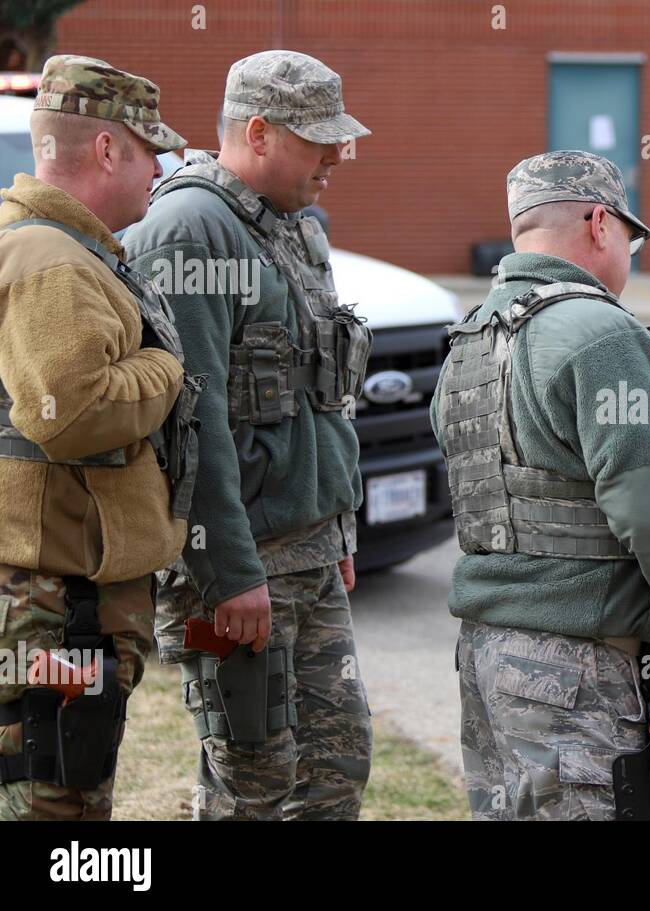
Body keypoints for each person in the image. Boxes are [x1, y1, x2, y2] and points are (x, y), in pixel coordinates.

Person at [432, 150, 650, 820]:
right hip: (577, 671)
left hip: (488, 659)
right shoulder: (602, 336)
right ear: (598, 222)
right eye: (631, 237)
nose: (631, 255)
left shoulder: (469, 338)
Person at [124, 50, 373, 820]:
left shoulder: (289, 227)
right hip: (243, 568)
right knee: (252, 790)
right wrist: (226, 571)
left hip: (307, 552)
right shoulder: (189, 229)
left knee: (334, 772)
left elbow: (315, 395)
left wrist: (338, 528)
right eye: (317, 138)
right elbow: (188, 421)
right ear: (257, 132)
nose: (336, 156)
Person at [0, 55, 195, 820]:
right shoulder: (50, 261)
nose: (162, 167)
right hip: (55, 597)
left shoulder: (70, 250)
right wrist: (164, 369)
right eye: (151, 150)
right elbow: (70, 412)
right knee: (55, 800)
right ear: (109, 150)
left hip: (69, 590)